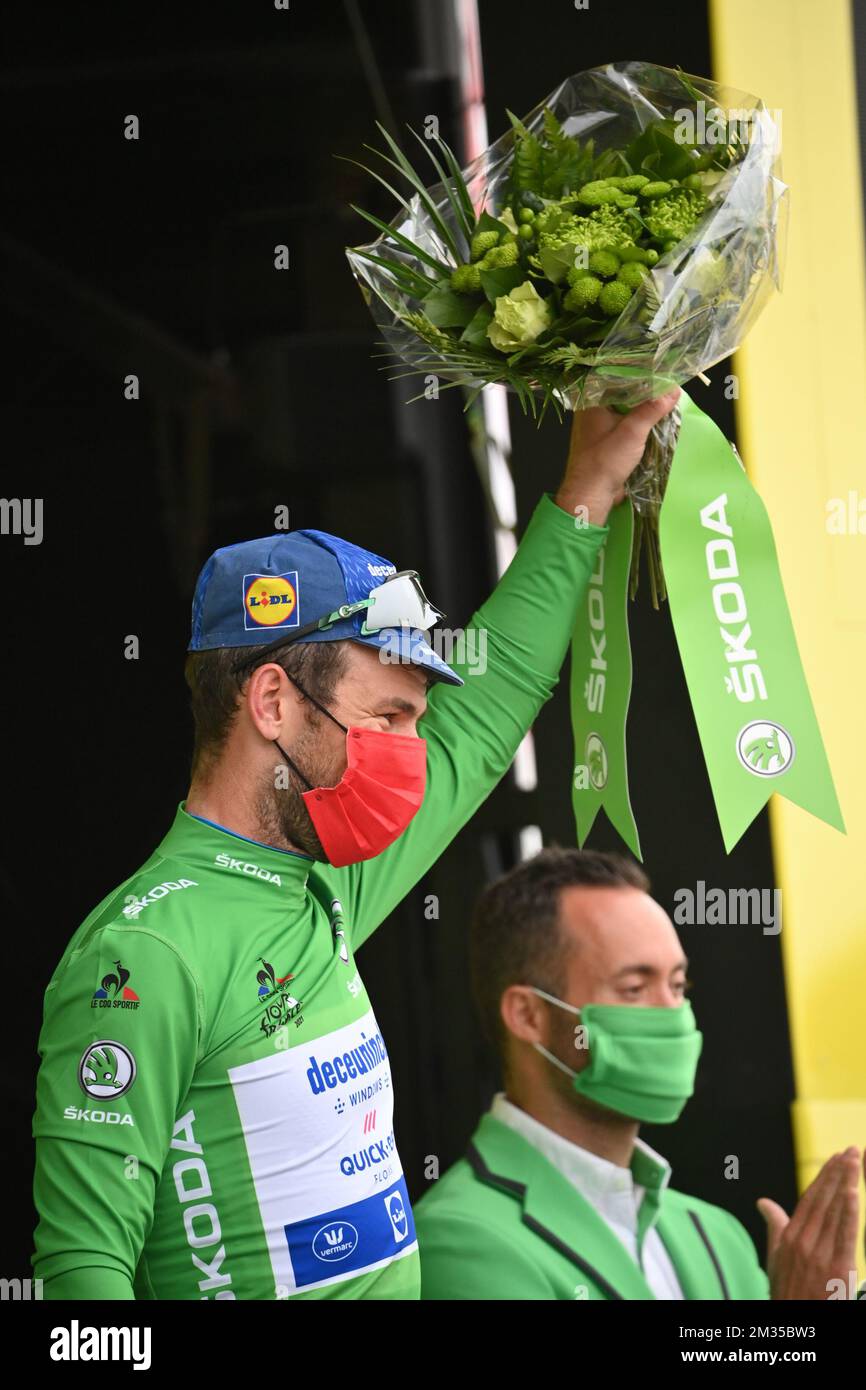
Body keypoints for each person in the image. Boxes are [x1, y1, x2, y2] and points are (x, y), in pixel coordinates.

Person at [30, 389, 684, 1300]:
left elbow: (489, 715)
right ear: (272, 704)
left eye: (415, 721)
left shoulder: (322, 887)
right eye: (388, 717)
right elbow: (79, 1282)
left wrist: (589, 486)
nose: (411, 754)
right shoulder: (145, 951)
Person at [414, 847, 864, 1300]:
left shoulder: (716, 1236)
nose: (674, 1015)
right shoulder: (460, 1240)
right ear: (528, 1015)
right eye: (634, 988)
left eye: (677, 986)